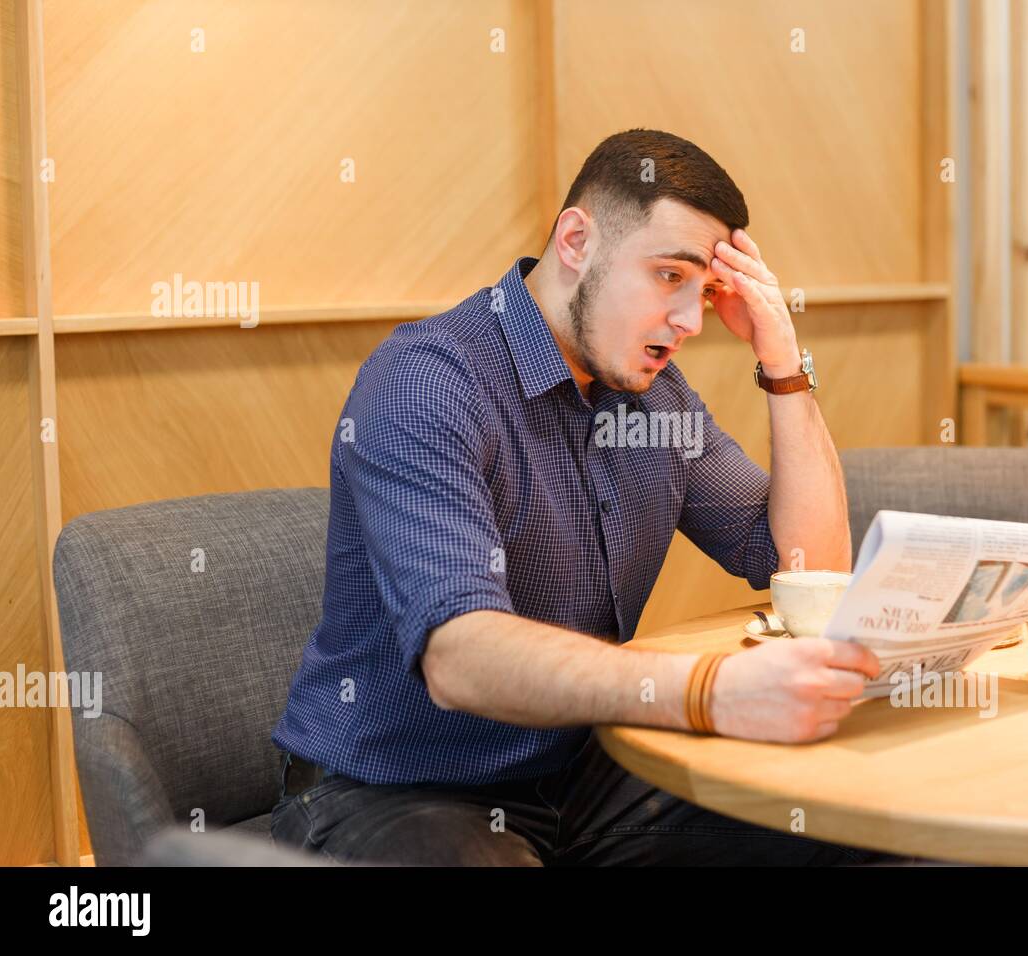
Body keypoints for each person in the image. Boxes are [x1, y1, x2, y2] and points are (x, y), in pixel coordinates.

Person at [270, 128, 910, 865]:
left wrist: (782, 361)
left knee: (857, 828)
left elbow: (805, 564)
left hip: (583, 778)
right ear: (576, 241)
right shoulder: (427, 382)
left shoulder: (653, 398)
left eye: (705, 291)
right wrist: (707, 689)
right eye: (670, 276)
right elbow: (460, 658)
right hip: (391, 791)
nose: (692, 322)